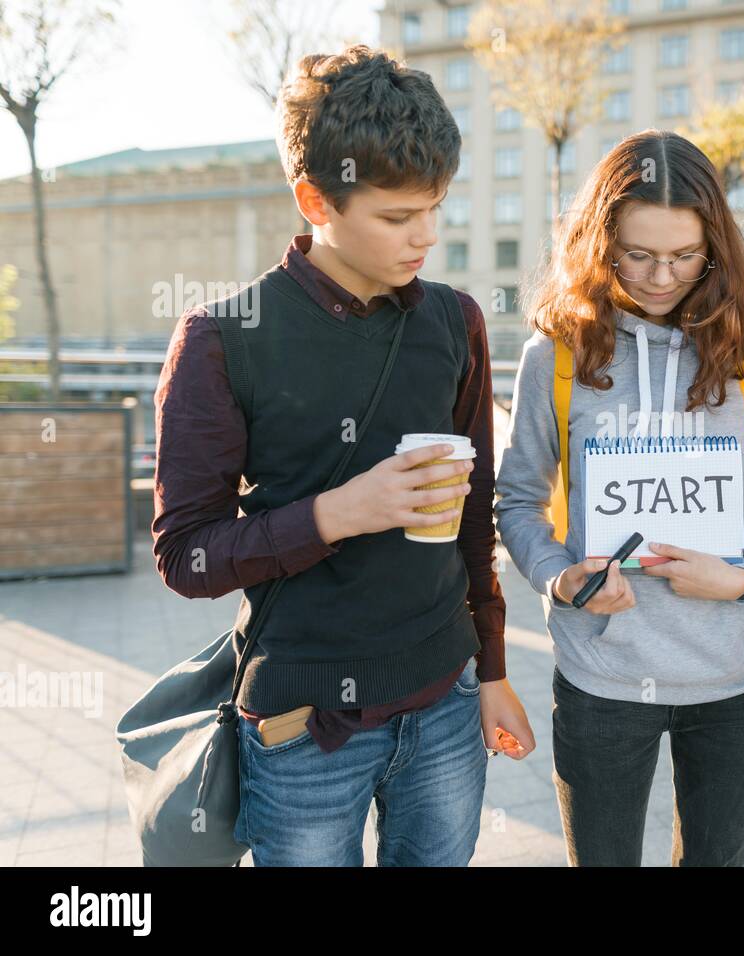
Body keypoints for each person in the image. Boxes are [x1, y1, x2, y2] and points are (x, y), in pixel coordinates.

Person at [152, 45, 533, 866]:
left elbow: (476, 523)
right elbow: (185, 556)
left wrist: (492, 672)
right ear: (314, 198)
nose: (425, 236)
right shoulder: (223, 339)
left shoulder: (454, 321)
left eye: (435, 208)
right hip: (302, 728)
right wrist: (337, 514)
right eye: (397, 217)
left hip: (446, 700)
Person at [496, 130, 744, 866]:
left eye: (684, 255)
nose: (662, 276)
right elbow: (516, 502)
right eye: (637, 254)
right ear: (599, 241)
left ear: (716, 246)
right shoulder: (558, 353)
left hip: (735, 678)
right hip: (602, 676)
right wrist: (560, 577)